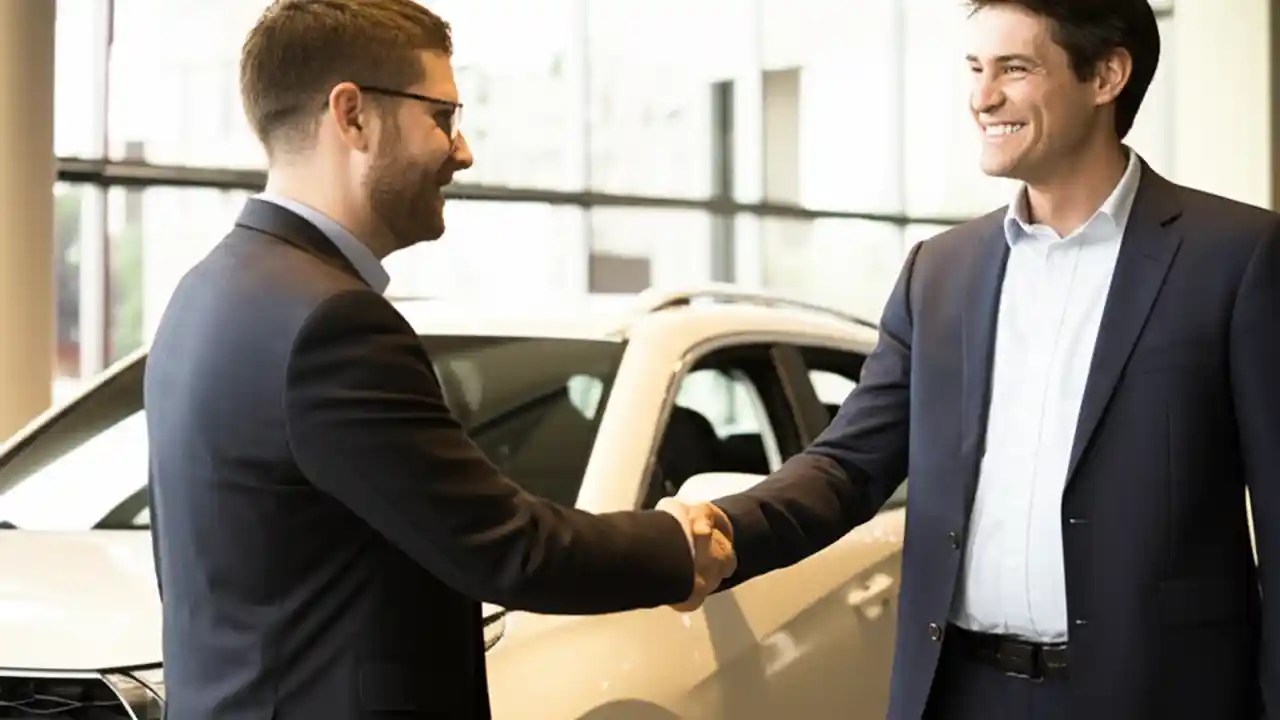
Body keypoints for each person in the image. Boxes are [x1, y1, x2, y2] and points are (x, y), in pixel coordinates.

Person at [664, 1, 1280, 718]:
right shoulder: (939, 272)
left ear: (1106, 75)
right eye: (975, 68)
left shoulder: (1236, 259)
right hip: (958, 691)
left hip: (1156, 697)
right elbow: (847, 465)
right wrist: (721, 528)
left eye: (1014, 69)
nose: (982, 98)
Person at [142, 2, 733, 718]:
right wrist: (676, 546)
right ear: (353, 116)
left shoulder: (203, 293)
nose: (463, 150)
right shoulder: (333, 323)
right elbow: (508, 547)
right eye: (442, 117)